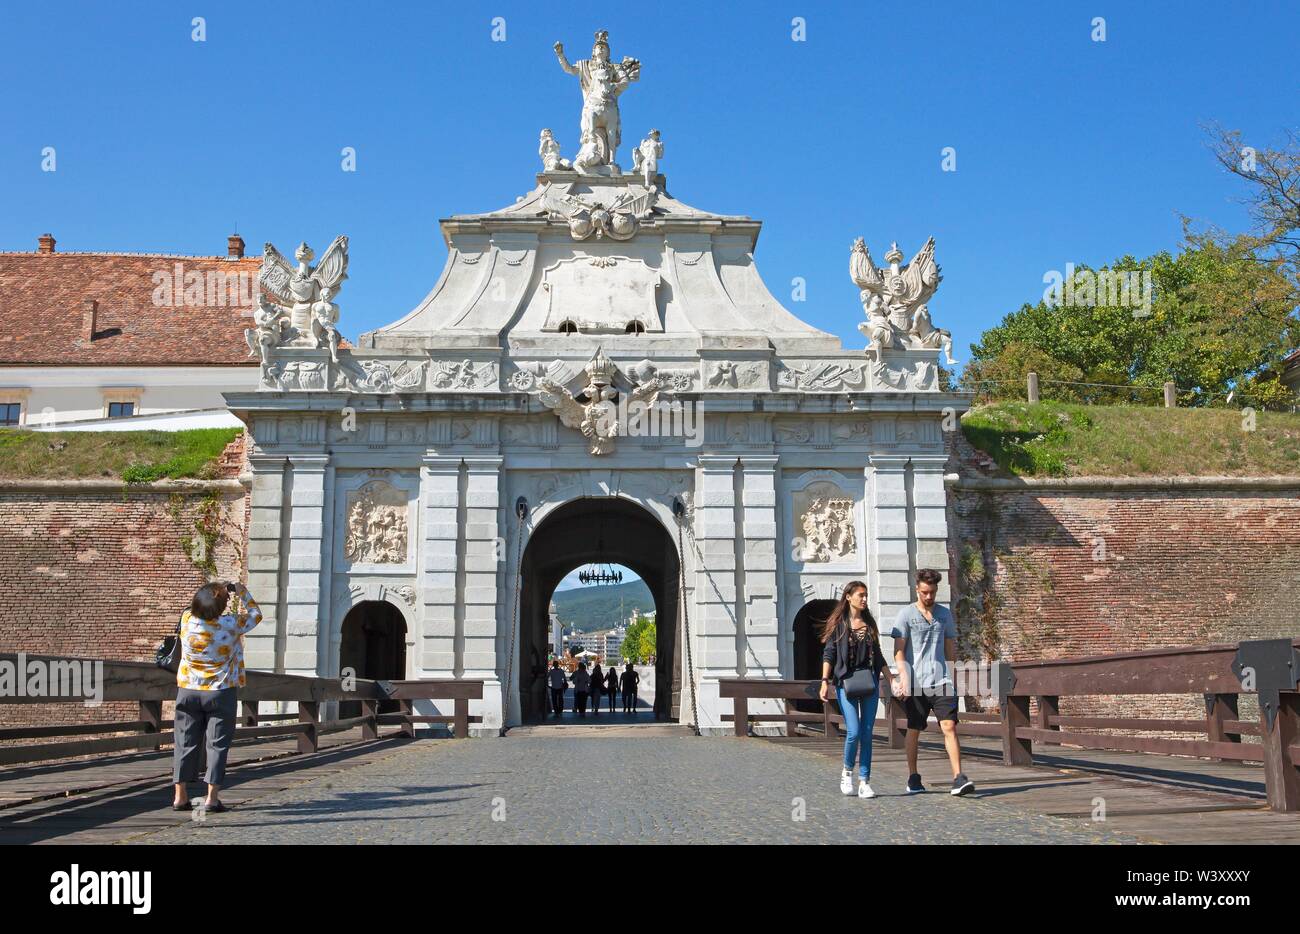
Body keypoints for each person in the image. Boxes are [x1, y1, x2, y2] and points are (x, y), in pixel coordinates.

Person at [172, 579, 262, 813]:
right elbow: (256, 614)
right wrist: (240, 590)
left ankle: (180, 796)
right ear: (222, 608)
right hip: (220, 692)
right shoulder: (231, 624)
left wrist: (212, 591)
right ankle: (211, 798)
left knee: (184, 741)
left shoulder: (187, 620)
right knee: (217, 745)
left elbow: (192, 607)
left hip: (188, 690)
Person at [893, 568, 974, 796]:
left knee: (949, 726)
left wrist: (953, 677)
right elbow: (898, 651)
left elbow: (950, 648)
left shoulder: (944, 614)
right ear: (917, 589)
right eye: (925, 592)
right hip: (915, 682)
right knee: (915, 728)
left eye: (933, 592)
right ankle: (913, 776)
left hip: (942, 681)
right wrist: (904, 678)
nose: (929, 597)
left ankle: (958, 777)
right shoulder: (905, 615)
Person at [819, 580, 895, 799]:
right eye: (860, 595)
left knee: (867, 733)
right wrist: (825, 680)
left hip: (869, 681)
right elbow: (829, 654)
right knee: (853, 732)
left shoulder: (869, 624)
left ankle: (865, 781)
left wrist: (890, 679)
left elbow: (879, 656)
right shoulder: (839, 625)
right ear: (848, 597)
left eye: (866, 595)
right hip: (845, 682)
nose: (864, 599)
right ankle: (847, 771)